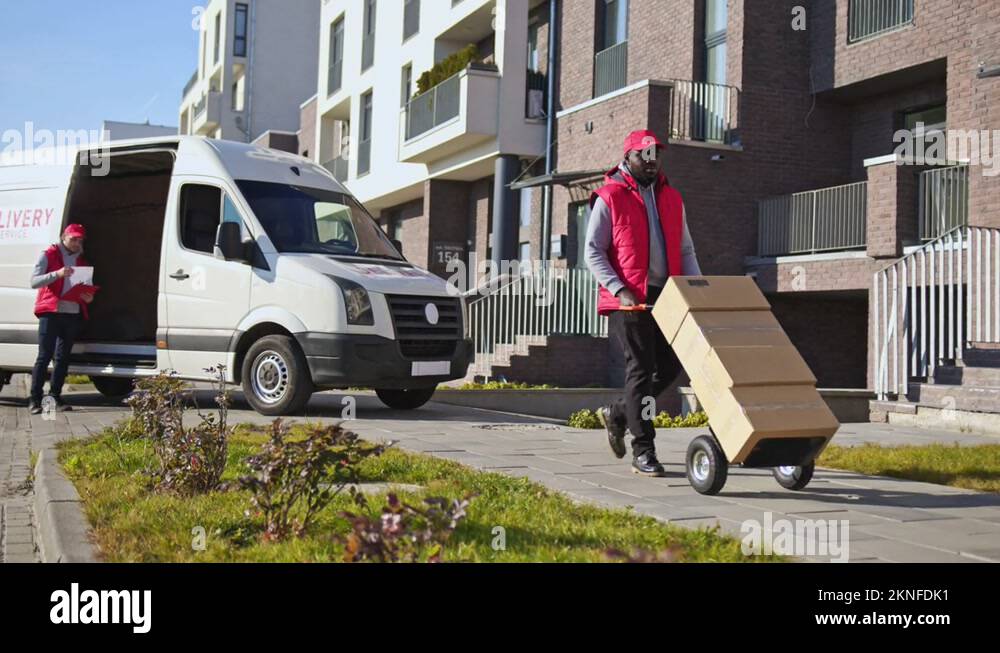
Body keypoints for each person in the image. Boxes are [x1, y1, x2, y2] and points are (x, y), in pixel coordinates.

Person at [585, 129, 702, 476]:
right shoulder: (610, 196)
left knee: (668, 367)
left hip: (666, 297)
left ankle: (620, 413)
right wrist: (619, 289)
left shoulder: (672, 198)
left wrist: (696, 288)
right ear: (628, 157)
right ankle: (644, 449)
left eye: (655, 155)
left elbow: (685, 250)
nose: (651, 162)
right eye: (643, 155)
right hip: (628, 298)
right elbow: (592, 251)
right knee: (640, 369)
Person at [28, 223, 94, 414]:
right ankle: (35, 399)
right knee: (44, 356)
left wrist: (88, 297)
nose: (76, 243)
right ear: (63, 236)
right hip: (51, 311)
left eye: (80, 239)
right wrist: (57, 274)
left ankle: (54, 397)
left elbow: (85, 288)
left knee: (62, 358)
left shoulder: (81, 261)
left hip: (71, 312)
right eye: (73, 239)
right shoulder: (49, 254)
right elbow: (34, 281)